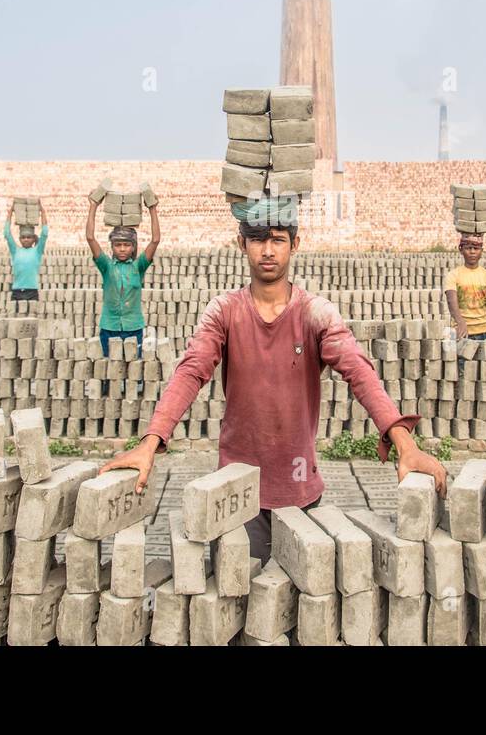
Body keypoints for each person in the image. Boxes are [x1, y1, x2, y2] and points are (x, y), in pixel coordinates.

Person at [99, 202, 447, 562]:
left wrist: (404, 443)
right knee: (239, 597)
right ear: (241, 244)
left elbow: (358, 371)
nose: (267, 251)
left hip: (299, 488)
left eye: (278, 240)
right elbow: (191, 371)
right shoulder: (224, 310)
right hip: (235, 493)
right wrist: (150, 443)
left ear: (294, 245)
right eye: (257, 240)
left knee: (300, 600)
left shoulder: (316, 313)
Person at [85, 194, 160, 361]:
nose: (122, 249)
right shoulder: (106, 267)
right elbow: (90, 238)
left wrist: (153, 209)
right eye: (118, 245)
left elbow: (155, 240)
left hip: (133, 327)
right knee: (109, 373)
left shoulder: (138, 267)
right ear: (112, 247)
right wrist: (93, 206)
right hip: (109, 326)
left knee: (134, 372)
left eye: (127, 245)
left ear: (133, 247)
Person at [445, 232, 486, 342]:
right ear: (461, 250)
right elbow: (451, 302)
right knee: (455, 358)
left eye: (476, 248)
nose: (472, 252)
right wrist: (460, 322)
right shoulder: (453, 275)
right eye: (468, 248)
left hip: (484, 331)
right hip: (459, 330)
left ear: (481, 251)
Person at [3, 201, 48, 313]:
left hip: (32, 292)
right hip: (16, 292)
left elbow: (45, 233)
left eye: (29, 237)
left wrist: (42, 212)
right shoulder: (15, 251)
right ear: (20, 239)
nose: (26, 239)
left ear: (33, 239)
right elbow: (7, 234)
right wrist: (10, 212)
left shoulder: (37, 251)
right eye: (23, 237)